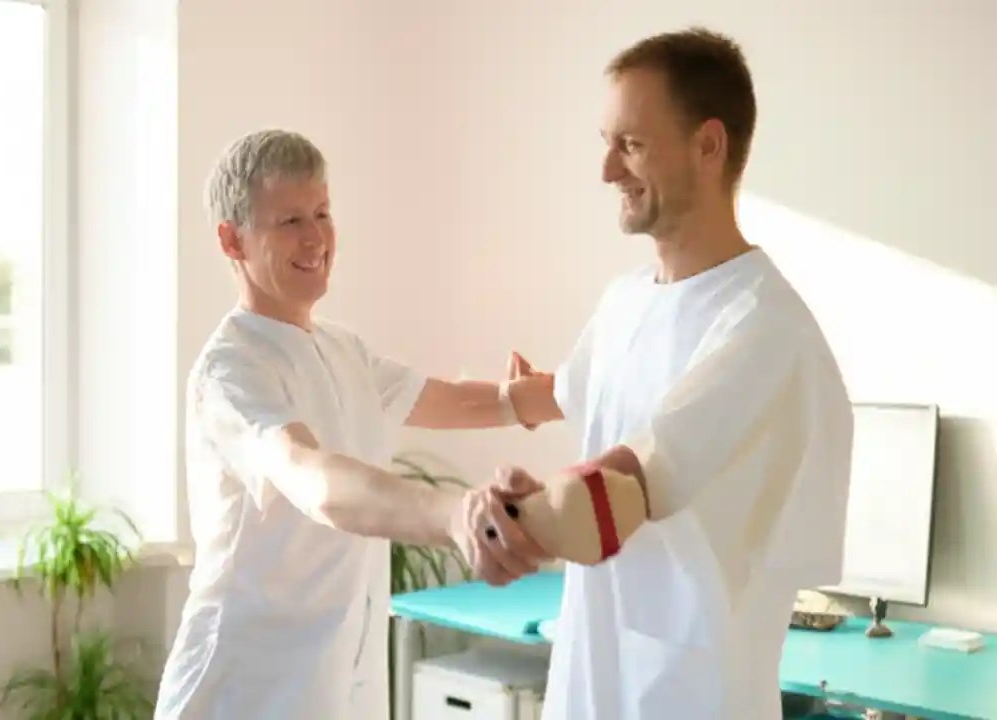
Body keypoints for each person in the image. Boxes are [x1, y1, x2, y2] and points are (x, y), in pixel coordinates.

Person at [496, 27, 855, 719]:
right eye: (606, 142)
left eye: (630, 144)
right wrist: (385, 394)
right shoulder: (627, 300)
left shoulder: (763, 329)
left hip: (687, 697)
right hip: (589, 688)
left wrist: (498, 519)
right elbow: (565, 393)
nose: (607, 170)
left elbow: (618, 489)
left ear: (708, 145)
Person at [154, 129, 551, 720]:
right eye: (290, 220)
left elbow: (453, 400)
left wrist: (542, 398)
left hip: (334, 686)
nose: (315, 237)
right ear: (232, 240)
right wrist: (454, 515)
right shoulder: (231, 371)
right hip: (241, 692)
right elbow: (314, 478)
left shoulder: (342, 351)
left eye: (322, 213)